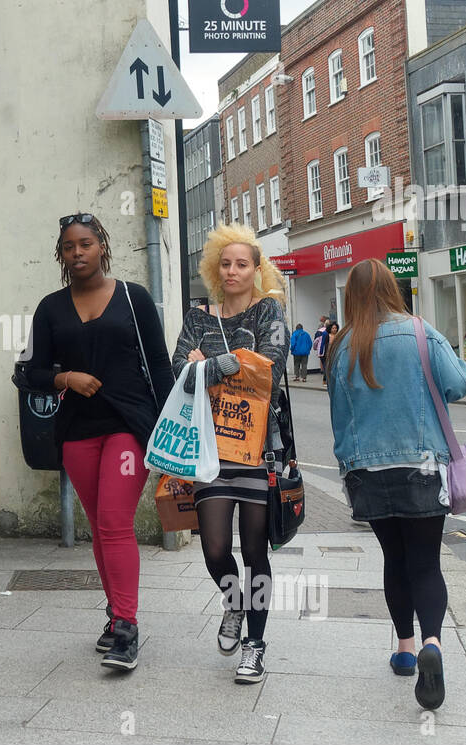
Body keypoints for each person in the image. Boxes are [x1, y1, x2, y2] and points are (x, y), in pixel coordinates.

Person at [24, 213, 174, 671]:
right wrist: (65, 377)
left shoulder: (134, 299)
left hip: (129, 427)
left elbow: (162, 369)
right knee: (99, 527)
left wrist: (171, 440)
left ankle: (126, 627)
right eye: (69, 246)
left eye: (86, 243)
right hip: (77, 433)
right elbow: (27, 373)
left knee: (114, 521)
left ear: (102, 246)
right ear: (61, 254)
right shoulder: (50, 308)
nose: (78, 253)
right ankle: (114, 616)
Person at [326, 259, 466, 711]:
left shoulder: (341, 345)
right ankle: (433, 642)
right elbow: (460, 384)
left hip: (368, 472)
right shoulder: (421, 331)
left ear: (350, 296)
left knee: (394, 559)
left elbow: (339, 414)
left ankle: (406, 651)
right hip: (423, 465)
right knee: (426, 563)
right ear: (393, 288)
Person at [171, 224, 289, 684]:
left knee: (256, 549)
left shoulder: (268, 311)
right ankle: (233, 602)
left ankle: (255, 647)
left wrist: (210, 364)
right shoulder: (198, 316)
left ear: (256, 269)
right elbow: (177, 372)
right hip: (209, 449)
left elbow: (269, 372)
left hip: (258, 449)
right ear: (214, 268)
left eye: (242, 263)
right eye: (226, 263)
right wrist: (217, 364)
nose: (233, 271)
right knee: (216, 548)